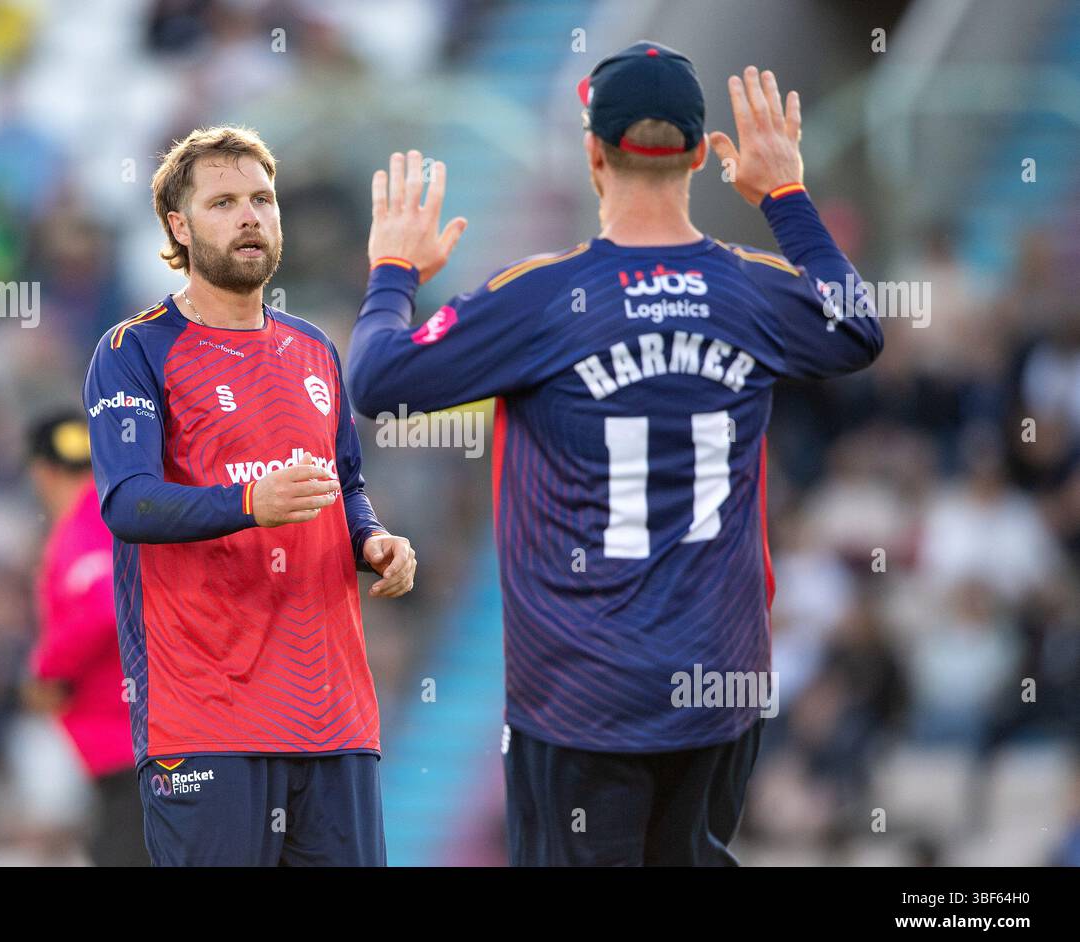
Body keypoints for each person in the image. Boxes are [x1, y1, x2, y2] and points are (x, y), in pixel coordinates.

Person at [347, 42, 883, 865]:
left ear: (592, 151)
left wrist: (392, 271)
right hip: (719, 686)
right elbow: (858, 327)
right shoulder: (751, 287)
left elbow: (377, 380)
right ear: (703, 155)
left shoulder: (539, 297)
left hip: (581, 698)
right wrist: (785, 194)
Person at [82, 126, 415, 866]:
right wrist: (247, 505)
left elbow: (346, 487)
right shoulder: (134, 350)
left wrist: (372, 540)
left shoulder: (314, 350)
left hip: (334, 718)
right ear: (178, 225)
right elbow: (129, 504)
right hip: (205, 717)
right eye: (224, 201)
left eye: (262, 199)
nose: (249, 217)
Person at [25, 410, 148, 866]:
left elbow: (101, 607)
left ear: (40, 472)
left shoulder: (84, 524)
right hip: (137, 744)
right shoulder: (114, 517)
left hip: (127, 745)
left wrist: (47, 670)